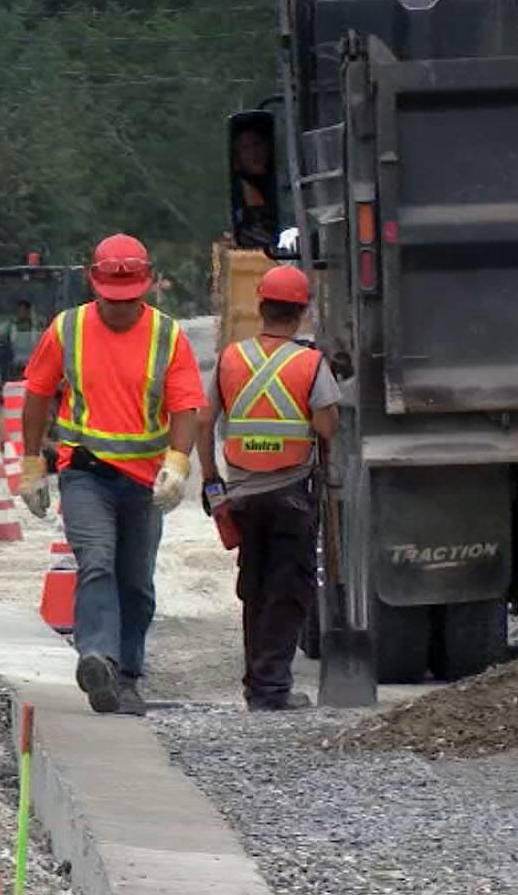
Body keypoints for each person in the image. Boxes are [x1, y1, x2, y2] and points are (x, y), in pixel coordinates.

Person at [18, 234, 205, 716]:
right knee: (97, 560)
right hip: (86, 473)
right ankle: (97, 656)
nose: (120, 309)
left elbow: (186, 405)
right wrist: (33, 463)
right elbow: (38, 394)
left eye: (130, 300)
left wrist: (178, 462)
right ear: (93, 284)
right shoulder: (68, 330)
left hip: (144, 483)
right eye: (111, 299)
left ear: (146, 288)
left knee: (137, 582)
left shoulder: (167, 336)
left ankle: (124, 678)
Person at [196, 265, 340, 712]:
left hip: (241, 493)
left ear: (260, 308)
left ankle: (258, 684)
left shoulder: (231, 359)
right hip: (292, 491)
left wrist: (210, 478)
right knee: (288, 589)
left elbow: (204, 420)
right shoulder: (310, 363)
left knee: (255, 589)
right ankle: (271, 689)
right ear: (301, 313)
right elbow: (327, 427)